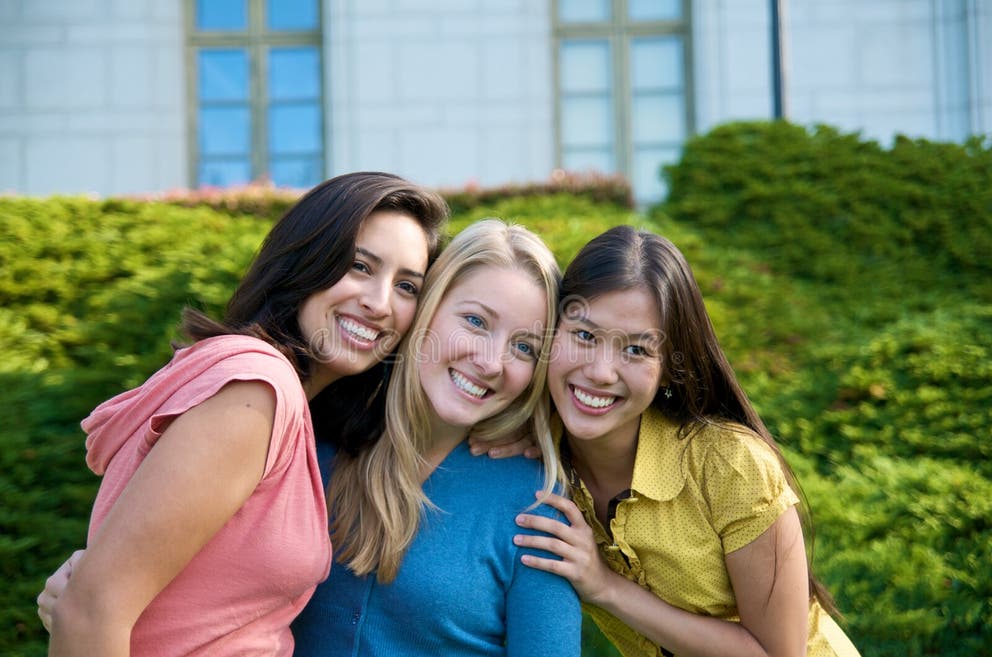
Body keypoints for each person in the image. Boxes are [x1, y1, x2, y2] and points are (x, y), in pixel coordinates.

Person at [45, 172, 450, 657]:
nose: (380, 303)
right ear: (306, 259)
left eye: (407, 286)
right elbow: (90, 612)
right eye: (360, 266)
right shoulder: (257, 389)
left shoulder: (292, 407)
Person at [513, 226, 860, 657]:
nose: (601, 371)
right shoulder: (537, 453)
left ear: (668, 370)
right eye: (584, 336)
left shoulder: (730, 467)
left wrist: (606, 586)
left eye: (637, 350)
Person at [291, 219, 581, 656]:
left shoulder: (533, 503)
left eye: (524, 347)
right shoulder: (313, 432)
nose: (491, 362)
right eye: (475, 321)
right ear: (426, 308)